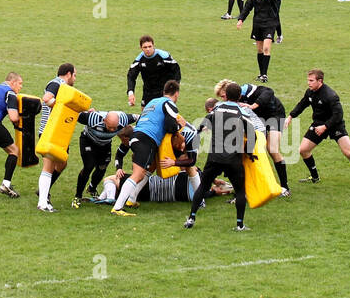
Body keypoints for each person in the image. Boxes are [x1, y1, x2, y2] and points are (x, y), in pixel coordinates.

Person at [185, 82, 255, 231]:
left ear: (226, 96)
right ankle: (239, 224)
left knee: (203, 186)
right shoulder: (243, 113)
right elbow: (252, 135)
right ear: (240, 96)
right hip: (233, 158)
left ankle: (191, 218)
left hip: (215, 157)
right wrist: (249, 153)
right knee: (240, 190)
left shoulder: (217, 109)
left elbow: (203, 123)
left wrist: (197, 133)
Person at [288, 69, 350, 185]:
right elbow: (302, 104)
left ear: (320, 81)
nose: (309, 83)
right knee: (303, 150)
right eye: (308, 80)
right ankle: (315, 177)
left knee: (348, 153)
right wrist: (291, 116)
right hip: (318, 124)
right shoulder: (310, 92)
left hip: (335, 125)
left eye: (311, 81)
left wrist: (325, 126)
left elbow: (338, 115)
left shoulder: (330, 95)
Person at [96, 117, 201, 204]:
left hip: (178, 140)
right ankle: (130, 198)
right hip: (162, 142)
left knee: (187, 166)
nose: (123, 143)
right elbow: (119, 155)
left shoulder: (189, 137)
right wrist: (119, 168)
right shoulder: (143, 136)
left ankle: (200, 201)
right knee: (149, 166)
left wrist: (174, 162)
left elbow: (192, 161)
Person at [111, 93, 179, 215]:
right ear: (176, 93)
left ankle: (131, 200)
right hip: (146, 140)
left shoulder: (152, 104)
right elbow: (170, 126)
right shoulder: (166, 104)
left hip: (139, 137)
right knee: (137, 175)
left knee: (142, 173)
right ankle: (117, 208)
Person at [71, 109, 136, 208]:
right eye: (110, 127)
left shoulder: (124, 119)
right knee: (89, 166)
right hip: (88, 140)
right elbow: (73, 113)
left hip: (105, 143)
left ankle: (92, 188)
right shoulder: (93, 119)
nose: (113, 130)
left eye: (115, 128)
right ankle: (77, 197)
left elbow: (140, 117)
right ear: (105, 121)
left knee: (102, 166)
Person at [36, 63, 76, 212]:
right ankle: (43, 203)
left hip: (59, 132)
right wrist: (61, 108)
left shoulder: (65, 88)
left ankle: (43, 192)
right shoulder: (56, 83)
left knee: (62, 163)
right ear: (68, 73)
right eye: (75, 75)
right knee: (49, 166)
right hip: (50, 131)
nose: (75, 78)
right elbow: (46, 98)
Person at [237, 81, 289, 194]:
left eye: (223, 96)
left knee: (273, 149)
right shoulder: (234, 99)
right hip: (260, 120)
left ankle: (285, 187)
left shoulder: (252, 90)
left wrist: (252, 106)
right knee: (255, 152)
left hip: (276, 116)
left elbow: (269, 91)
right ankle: (254, 186)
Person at [236, 0, 281, 83]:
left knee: (266, 48)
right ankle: (261, 74)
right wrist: (241, 20)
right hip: (258, 24)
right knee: (260, 49)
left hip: (270, 23)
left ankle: (265, 74)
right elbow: (247, 7)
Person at [126, 35, 182, 109]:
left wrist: (175, 87)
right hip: (148, 91)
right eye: (145, 47)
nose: (148, 49)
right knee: (145, 113)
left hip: (164, 91)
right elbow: (131, 76)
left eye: (150, 46)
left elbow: (176, 70)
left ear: (153, 45)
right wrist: (131, 93)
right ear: (141, 48)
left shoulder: (164, 56)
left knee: (166, 112)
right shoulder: (139, 60)